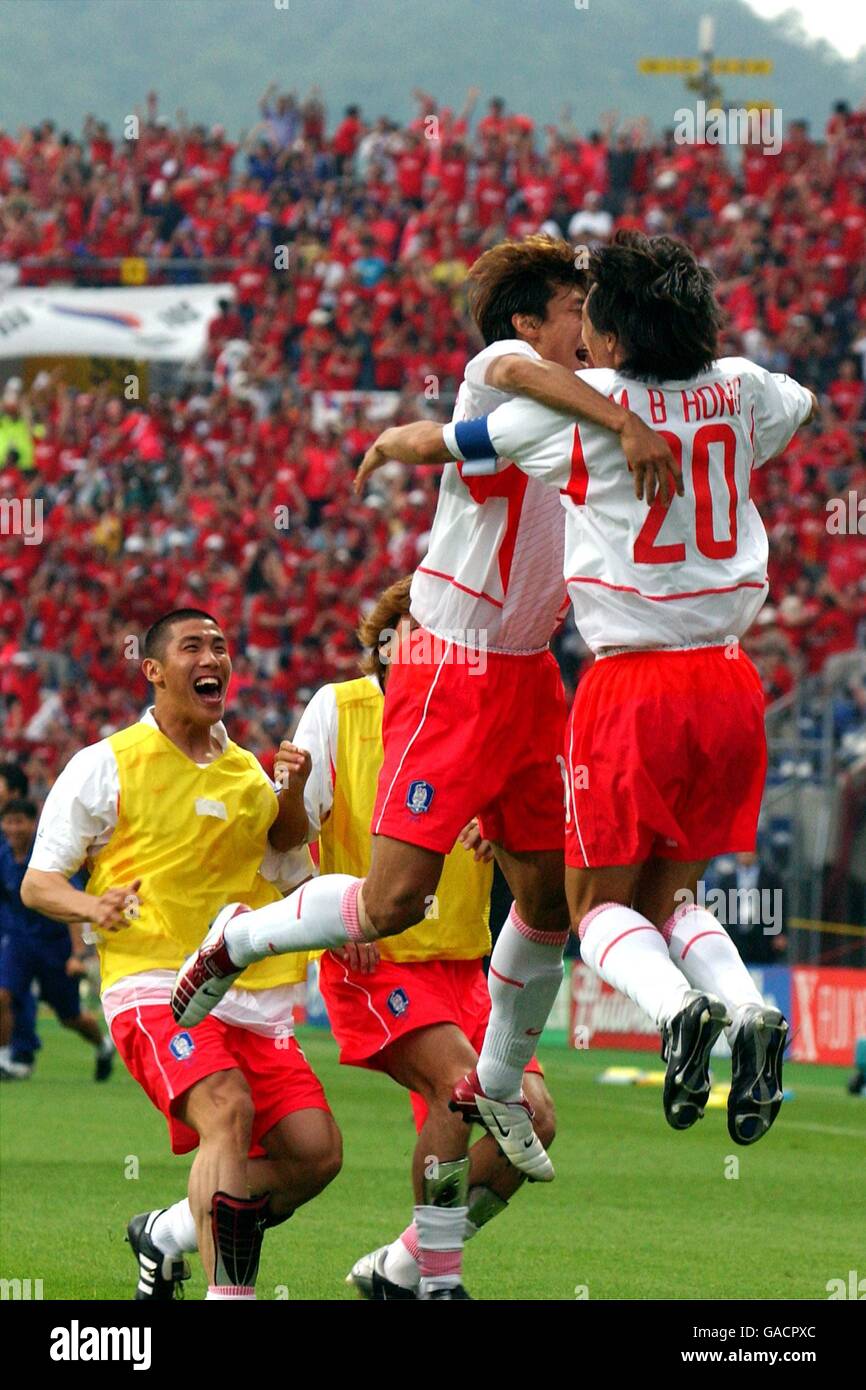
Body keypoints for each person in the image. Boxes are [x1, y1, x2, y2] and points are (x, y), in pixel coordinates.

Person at [173, 237, 679, 1192]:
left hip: (531, 676)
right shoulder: (500, 369)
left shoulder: (576, 418)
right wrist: (624, 420)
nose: (590, 328)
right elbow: (524, 389)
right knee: (394, 898)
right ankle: (237, 940)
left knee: (543, 905)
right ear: (532, 321)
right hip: (454, 663)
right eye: (576, 309)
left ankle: (496, 1085)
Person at [352, 231, 817, 1151]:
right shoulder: (746, 385)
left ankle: (679, 1011)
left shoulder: (586, 409)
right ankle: (746, 1010)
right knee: (673, 900)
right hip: (732, 680)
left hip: (633, 685)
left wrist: (399, 446)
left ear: (611, 331)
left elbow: (447, 438)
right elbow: (796, 403)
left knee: (591, 905)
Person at [21, 609, 342, 1301]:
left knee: (315, 1154)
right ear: (155, 670)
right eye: (195, 646)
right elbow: (39, 883)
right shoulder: (104, 765)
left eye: (222, 646)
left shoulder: (248, 777)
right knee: (225, 1111)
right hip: (150, 984)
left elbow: (294, 871)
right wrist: (91, 906)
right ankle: (230, 1297)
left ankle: (164, 1233)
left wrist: (292, 791)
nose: (214, 657)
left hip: (245, 998)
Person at [293, 576, 556, 1300]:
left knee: (534, 1119)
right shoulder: (338, 709)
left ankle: (402, 1267)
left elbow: (530, 833)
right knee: (459, 1090)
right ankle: (439, 1285)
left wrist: (494, 825)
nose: (438, 643)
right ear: (388, 639)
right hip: (375, 962)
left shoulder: (480, 719)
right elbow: (288, 840)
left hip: (467, 966)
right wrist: (331, 914)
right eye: (421, 628)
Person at [0, 798, 114, 1081]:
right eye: (8, 821)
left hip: (55, 945)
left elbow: (72, 903)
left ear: (32, 823)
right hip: (20, 942)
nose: (13, 828)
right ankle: (5, 1059)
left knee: (70, 1017)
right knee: (2, 995)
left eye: (19, 821)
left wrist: (77, 954)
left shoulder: (46, 860)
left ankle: (103, 1045)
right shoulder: (3, 857)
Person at [0, 762, 41, 1077]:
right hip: (13, 928)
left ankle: (22, 1051)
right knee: (8, 990)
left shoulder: (38, 842)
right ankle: (13, 1054)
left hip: (42, 931)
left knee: (15, 991)